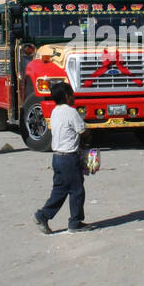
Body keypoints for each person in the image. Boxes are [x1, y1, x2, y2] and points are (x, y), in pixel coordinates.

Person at [33, 83, 90, 234]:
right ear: (66, 96)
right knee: (77, 190)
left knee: (60, 190)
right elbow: (82, 131)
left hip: (57, 157)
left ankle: (43, 216)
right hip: (69, 158)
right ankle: (75, 222)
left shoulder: (55, 111)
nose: (74, 96)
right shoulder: (71, 112)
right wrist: (87, 139)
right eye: (72, 93)